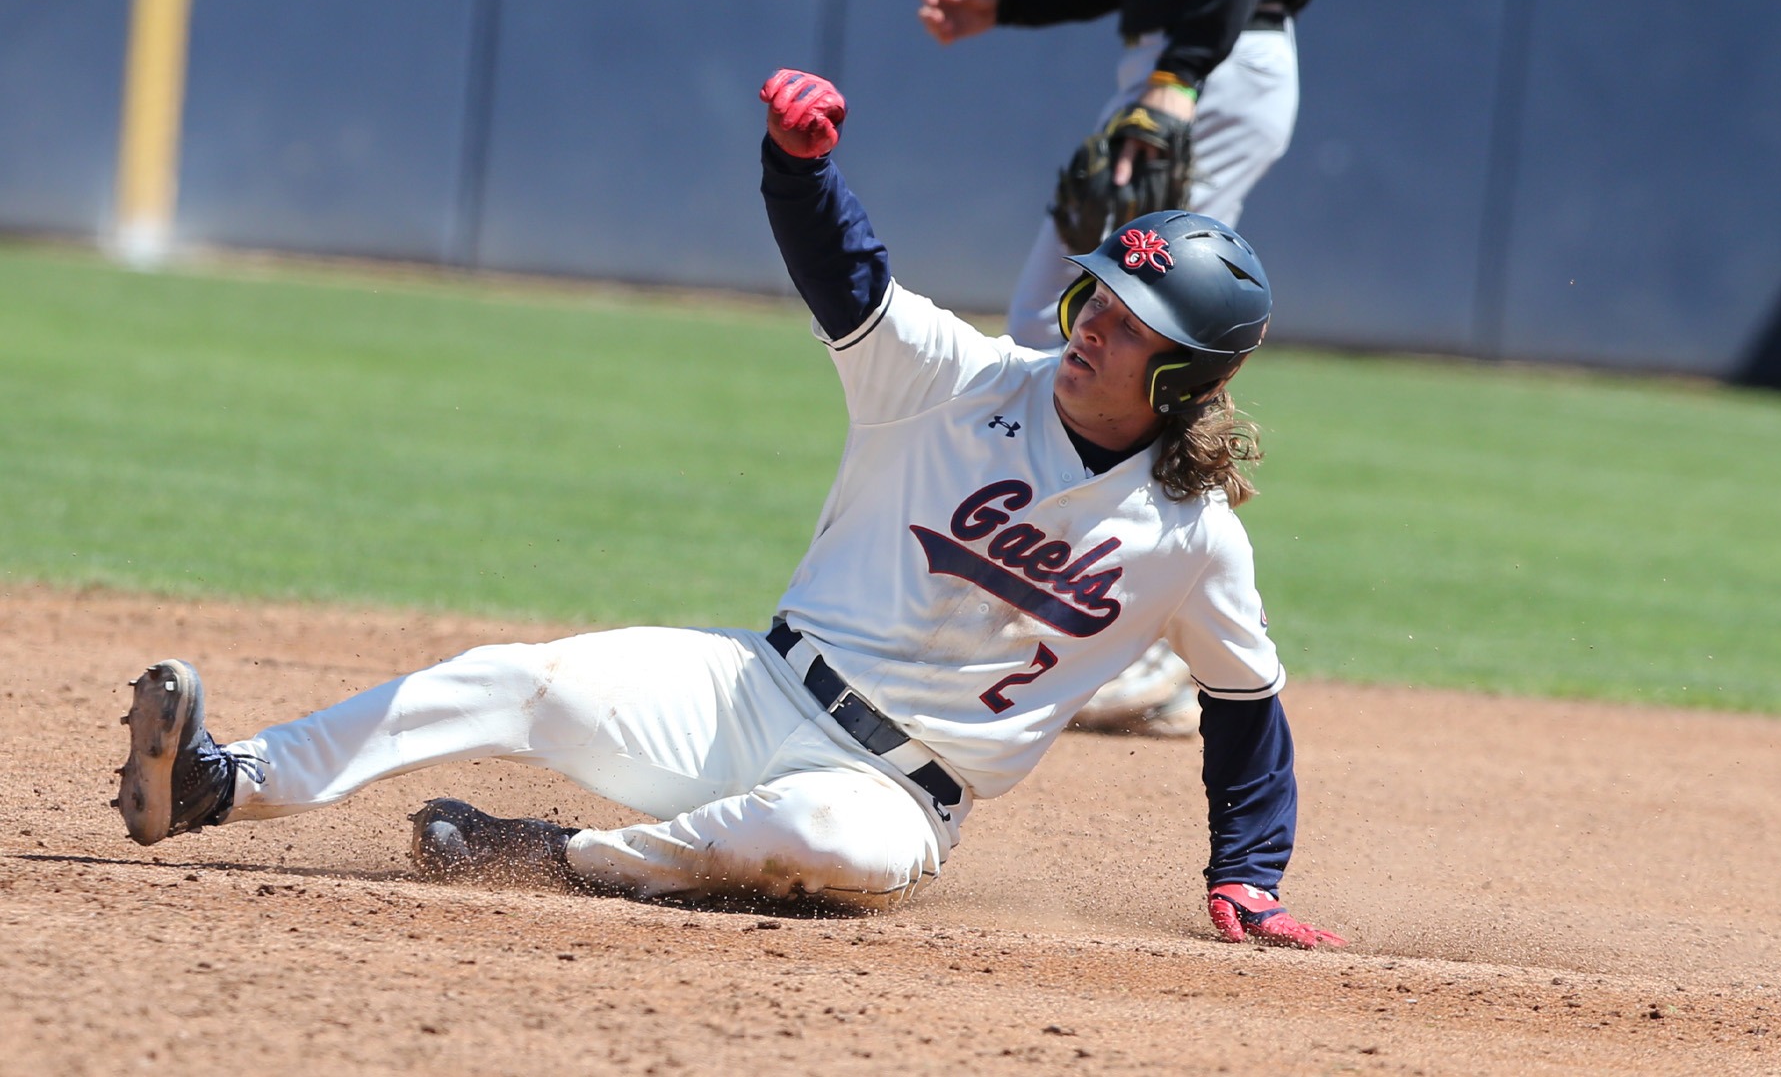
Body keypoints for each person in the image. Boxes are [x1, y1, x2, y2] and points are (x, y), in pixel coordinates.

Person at [111, 69, 1343, 947]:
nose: (1091, 331)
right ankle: (229, 782)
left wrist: (1249, 876)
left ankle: (550, 858)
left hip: (898, 794)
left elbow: (1245, 705)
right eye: (1095, 303)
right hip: (751, 688)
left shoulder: (1192, 542)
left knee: (833, 843)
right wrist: (800, 167)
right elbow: (851, 279)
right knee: (516, 679)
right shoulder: (959, 381)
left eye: (1130, 329)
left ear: (1183, 380)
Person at [922, 0, 1310, 736]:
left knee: (1128, 336)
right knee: (1061, 331)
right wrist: (1006, 9)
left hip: (1210, 58)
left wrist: (1184, 73)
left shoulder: (1195, 64)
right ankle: (1109, 632)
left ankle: (1139, 642)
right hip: (1180, 59)